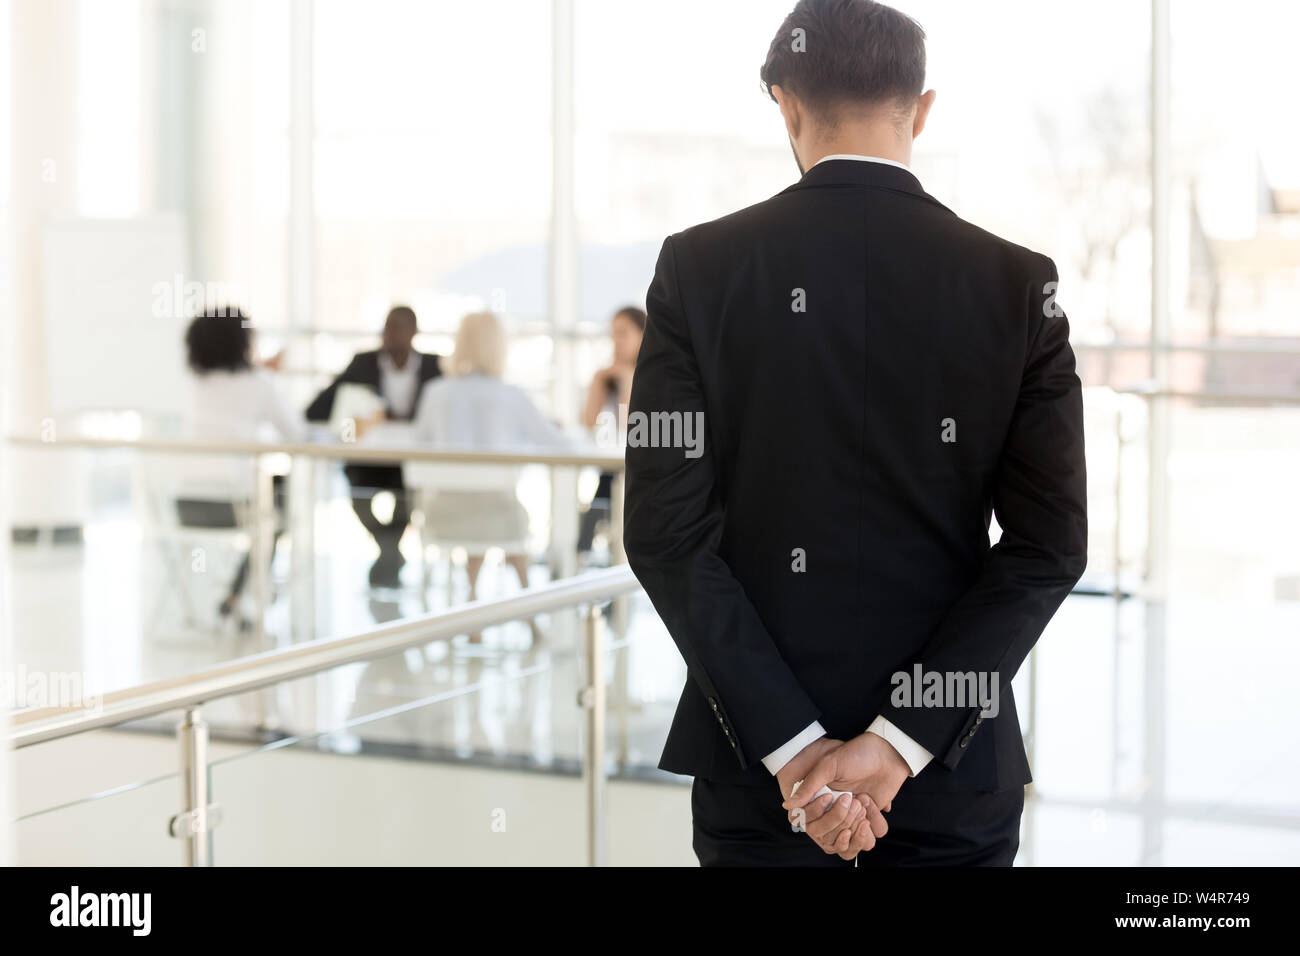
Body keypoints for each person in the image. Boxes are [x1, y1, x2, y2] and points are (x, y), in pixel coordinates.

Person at [623, 0, 1087, 867]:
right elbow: (1048, 547)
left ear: (785, 103)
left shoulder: (696, 270)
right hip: (951, 769)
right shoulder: (1019, 285)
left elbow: (665, 533)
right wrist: (898, 740)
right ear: (922, 107)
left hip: (757, 777)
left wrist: (797, 750)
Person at [410, 311, 571, 636]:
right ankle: (526, 614)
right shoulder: (511, 396)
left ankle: (472, 606)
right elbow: (558, 445)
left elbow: (417, 450)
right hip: (501, 517)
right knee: (495, 511)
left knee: (476, 510)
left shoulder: (435, 392)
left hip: (443, 516)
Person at [178, 308, 304, 626]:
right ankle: (244, 592)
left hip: (186, 505)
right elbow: (296, 434)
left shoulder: (193, 381)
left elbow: (230, 381)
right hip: (237, 506)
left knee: (270, 506)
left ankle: (235, 596)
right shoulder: (260, 382)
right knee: (278, 508)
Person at [305, 305, 442, 587]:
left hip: (410, 459)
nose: (390, 336)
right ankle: (390, 550)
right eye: (387, 328)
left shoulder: (434, 366)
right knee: (357, 493)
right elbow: (318, 408)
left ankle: (388, 554)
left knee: (409, 496)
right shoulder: (363, 363)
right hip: (368, 458)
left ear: (414, 332)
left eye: (398, 328)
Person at [578, 305, 646, 556]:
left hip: (640, 471)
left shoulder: (651, 377)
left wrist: (628, 378)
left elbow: (633, 427)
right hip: (610, 470)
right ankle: (580, 566)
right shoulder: (607, 377)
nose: (616, 342)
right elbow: (588, 423)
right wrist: (598, 381)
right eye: (613, 334)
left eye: (623, 333)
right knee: (587, 530)